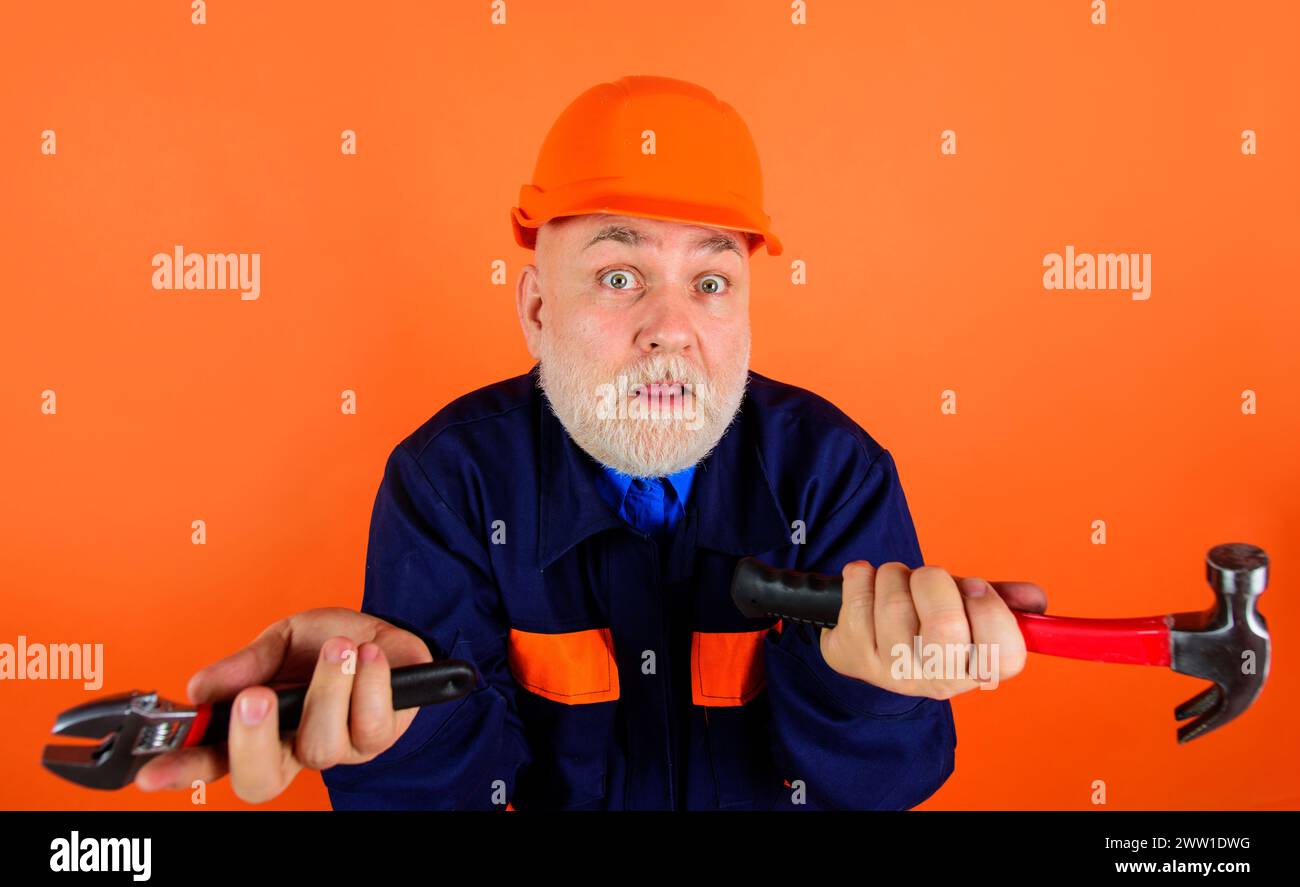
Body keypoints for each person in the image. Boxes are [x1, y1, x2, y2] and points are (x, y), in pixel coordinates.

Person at [135, 75, 1047, 810]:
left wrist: (866, 691)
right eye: (619, 276)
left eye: (711, 283)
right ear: (537, 310)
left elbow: (887, 787)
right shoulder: (447, 483)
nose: (671, 328)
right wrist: (408, 727)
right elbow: (449, 797)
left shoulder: (834, 474)